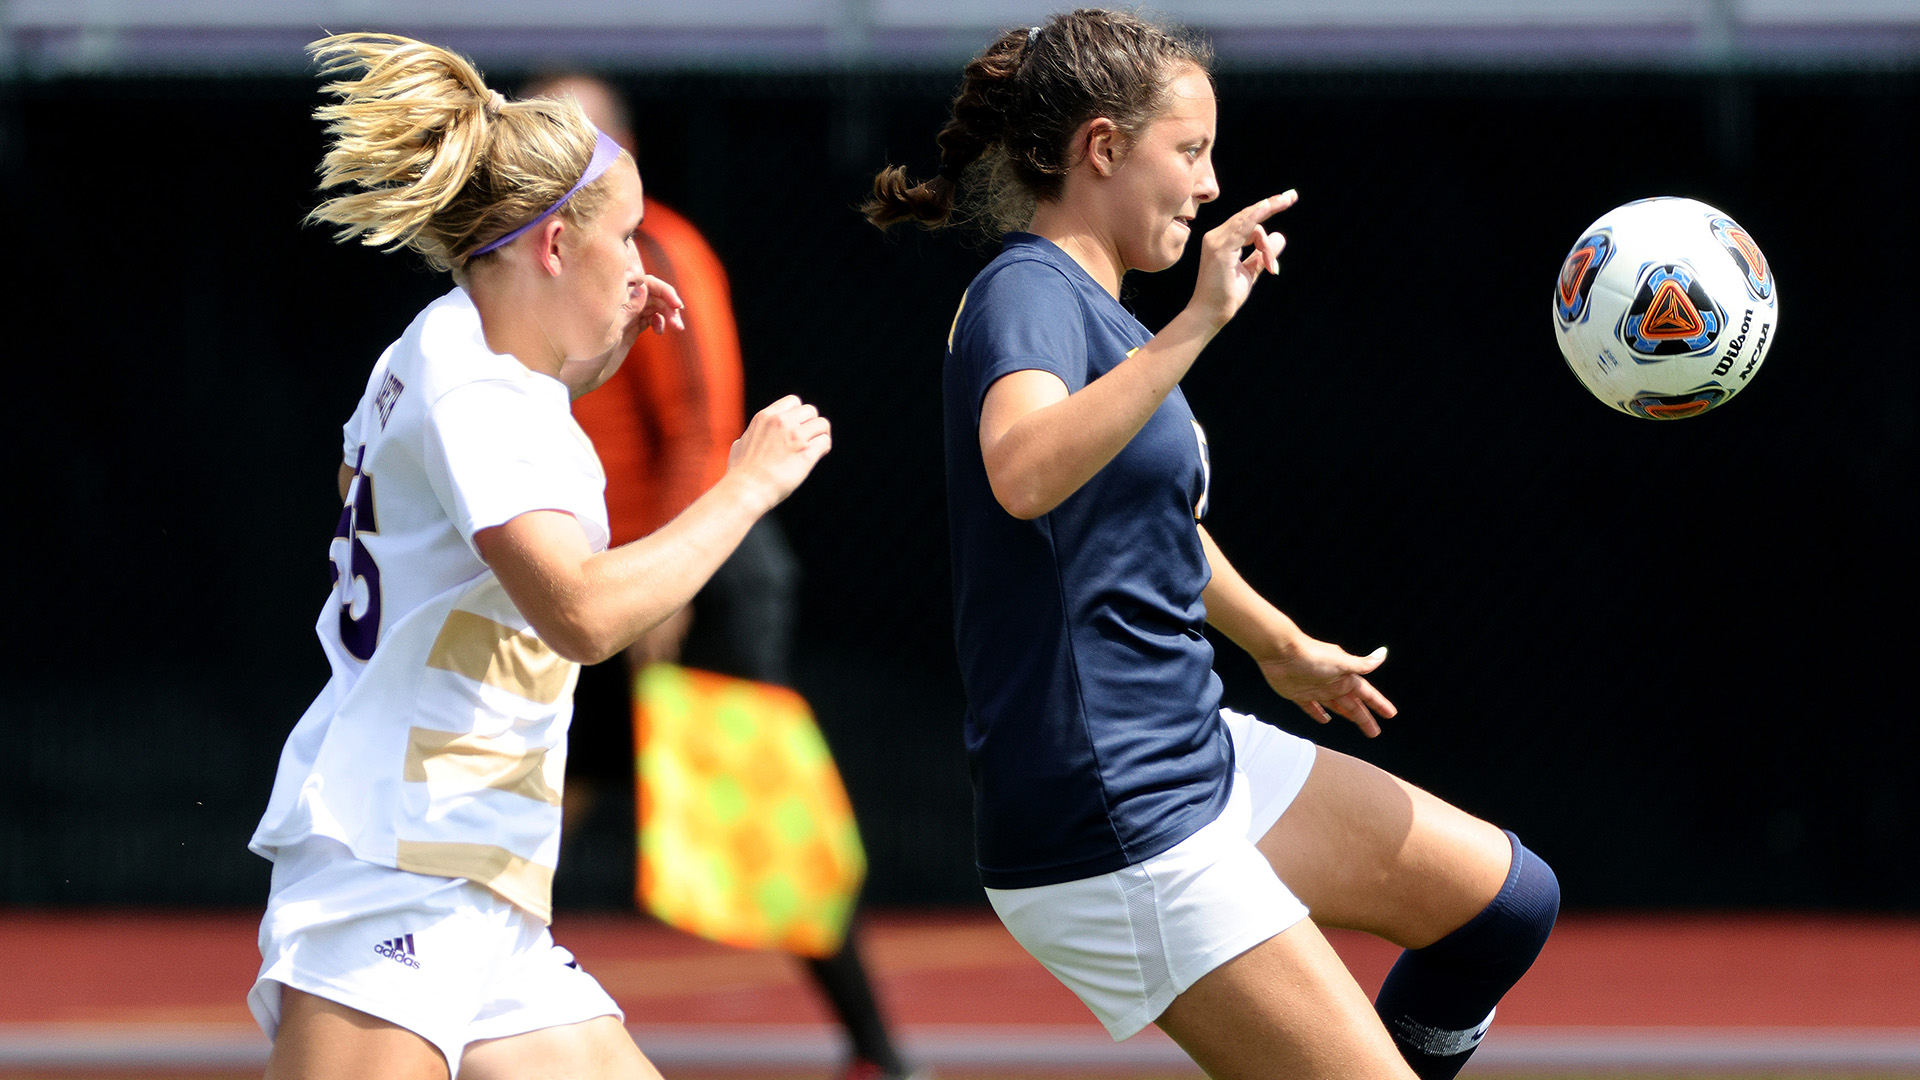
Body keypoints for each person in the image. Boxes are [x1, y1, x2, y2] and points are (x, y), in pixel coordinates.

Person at [864, 10, 1557, 1080]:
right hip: (1112, 816)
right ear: (1102, 149)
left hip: (1191, 755)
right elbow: (1023, 467)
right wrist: (1197, 325)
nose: (1208, 181)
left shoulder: (1110, 321)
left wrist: (1279, 643)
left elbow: (1160, 528)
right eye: (1188, 152)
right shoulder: (1025, 292)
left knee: (1506, 904)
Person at [247, 33, 830, 1080]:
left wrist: (586, 360)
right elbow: (587, 615)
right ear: (556, 246)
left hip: (479, 883)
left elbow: (381, 490)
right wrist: (749, 485)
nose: (646, 263)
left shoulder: (436, 345)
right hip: (396, 870)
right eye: (631, 236)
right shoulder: (486, 396)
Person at [523, 73, 919, 1080]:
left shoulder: (654, 254)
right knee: (537, 798)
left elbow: (700, 428)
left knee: (767, 824)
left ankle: (878, 1051)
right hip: (603, 580)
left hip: (692, 582)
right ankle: (475, 1003)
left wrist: (670, 584)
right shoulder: (538, 270)